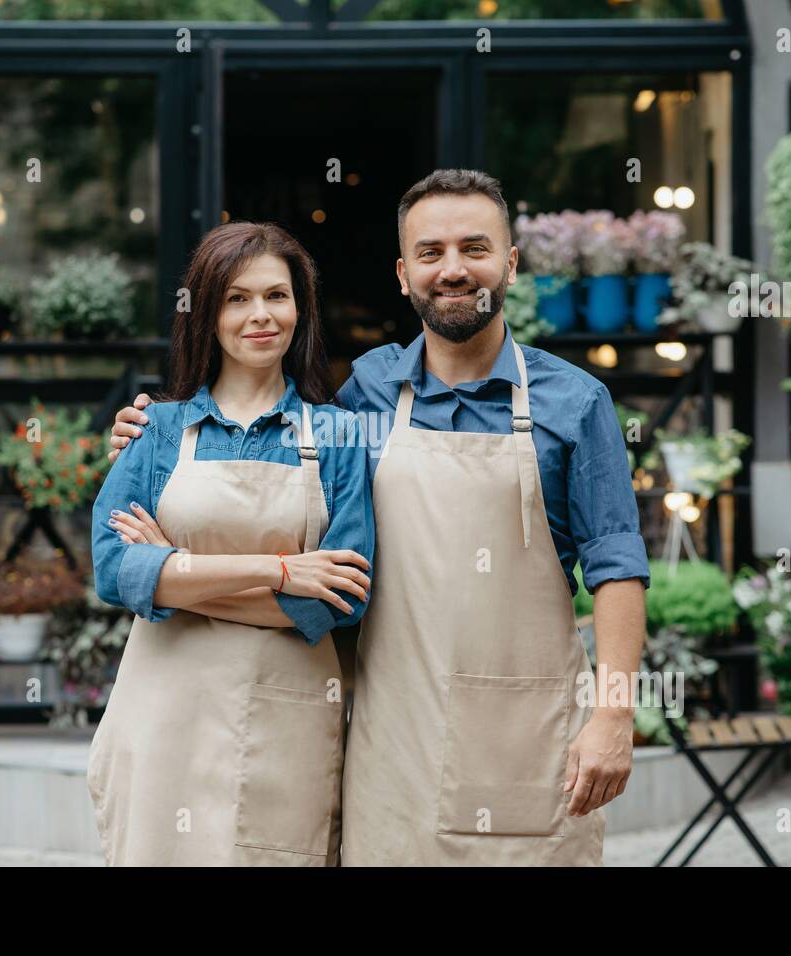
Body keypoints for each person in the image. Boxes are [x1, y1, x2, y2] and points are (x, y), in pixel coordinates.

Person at [108, 170, 648, 866]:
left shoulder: (575, 403)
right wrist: (151, 433)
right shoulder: (365, 393)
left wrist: (613, 715)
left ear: (510, 263)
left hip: (527, 740)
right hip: (388, 747)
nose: (453, 269)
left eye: (474, 248)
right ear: (403, 274)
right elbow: (258, 452)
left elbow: (617, 566)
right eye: (430, 253)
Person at [88, 220, 374, 866]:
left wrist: (176, 575)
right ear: (207, 314)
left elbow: (340, 600)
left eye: (277, 296)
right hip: (165, 720)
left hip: (287, 721)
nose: (260, 316)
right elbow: (113, 569)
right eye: (237, 298)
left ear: (300, 309)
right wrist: (280, 572)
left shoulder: (337, 435)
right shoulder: (156, 430)